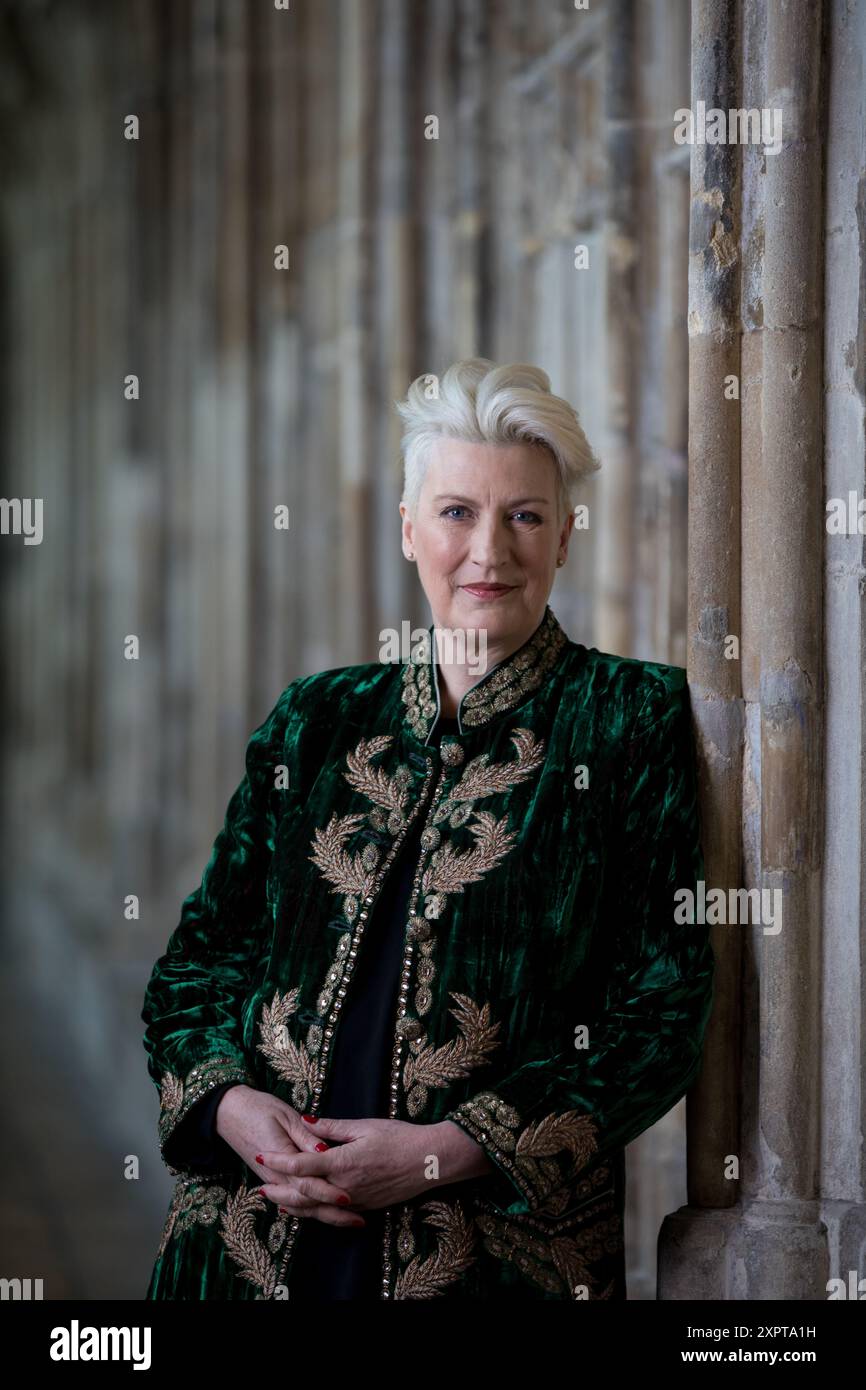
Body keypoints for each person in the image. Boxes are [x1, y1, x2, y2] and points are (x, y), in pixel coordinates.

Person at [141, 357, 715, 1300]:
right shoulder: (314, 719)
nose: (490, 552)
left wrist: (449, 1153)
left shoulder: (631, 718)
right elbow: (199, 961)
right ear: (408, 530)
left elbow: (659, 1011)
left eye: (524, 515)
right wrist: (231, 1107)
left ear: (566, 537)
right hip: (249, 1243)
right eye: (456, 512)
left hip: (493, 1263)